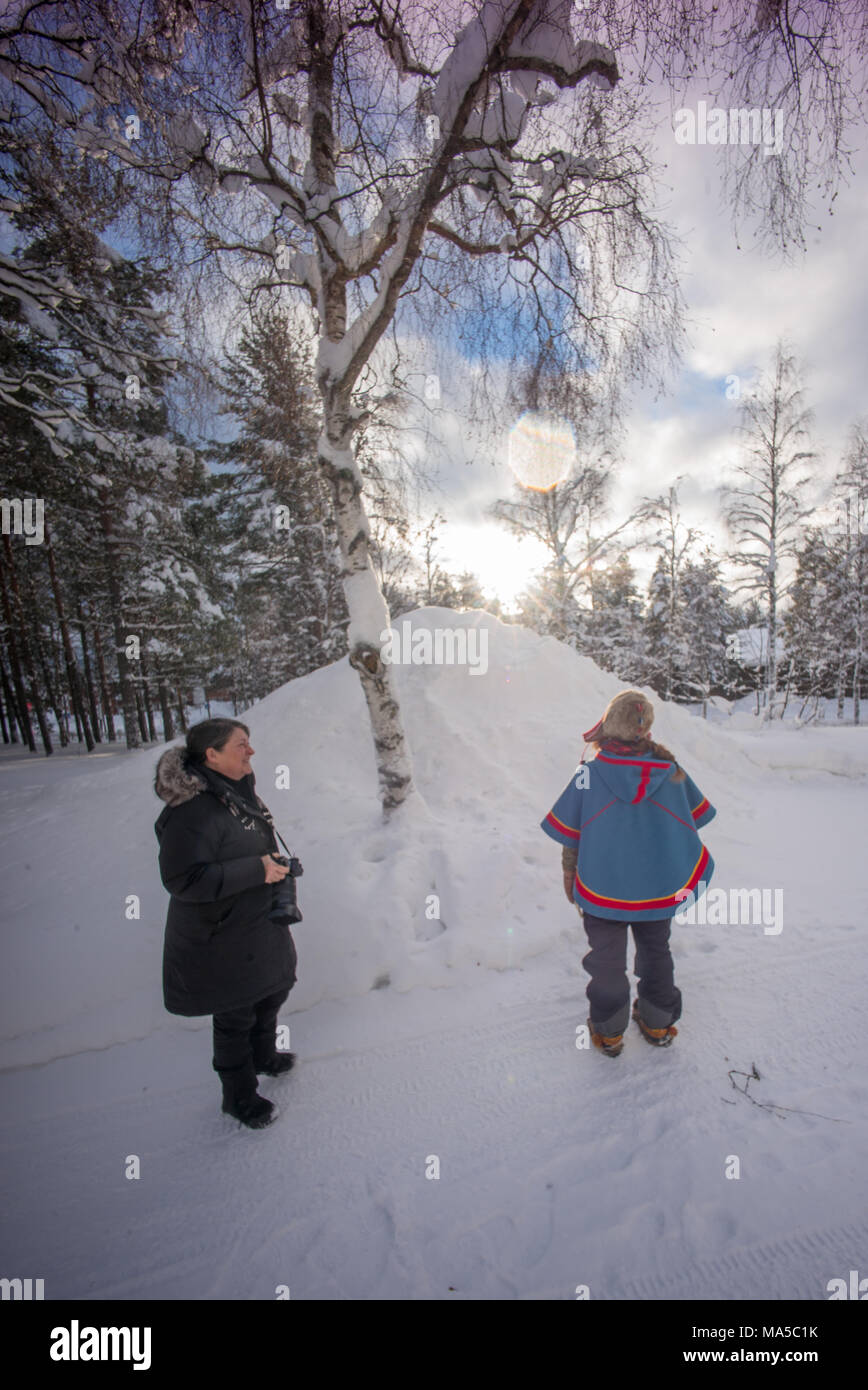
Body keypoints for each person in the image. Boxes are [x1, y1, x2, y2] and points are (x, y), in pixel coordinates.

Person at [540, 690, 716, 1057]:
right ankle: (657, 1021)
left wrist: (569, 875)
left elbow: (571, 834)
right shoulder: (670, 770)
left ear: (609, 726)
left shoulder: (589, 774)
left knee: (606, 960)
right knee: (656, 951)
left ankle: (609, 1032)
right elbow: (691, 821)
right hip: (658, 889)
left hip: (602, 888)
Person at [154, 718, 299, 1127]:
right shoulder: (190, 811)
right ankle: (238, 1098)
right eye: (241, 745)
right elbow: (183, 879)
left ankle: (265, 1056)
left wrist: (272, 868)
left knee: (272, 992)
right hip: (221, 934)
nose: (250, 751)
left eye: (249, 743)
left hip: (258, 921)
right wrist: (257, 870)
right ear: (211, 755)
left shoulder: (237, 792)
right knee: (235, 1015)